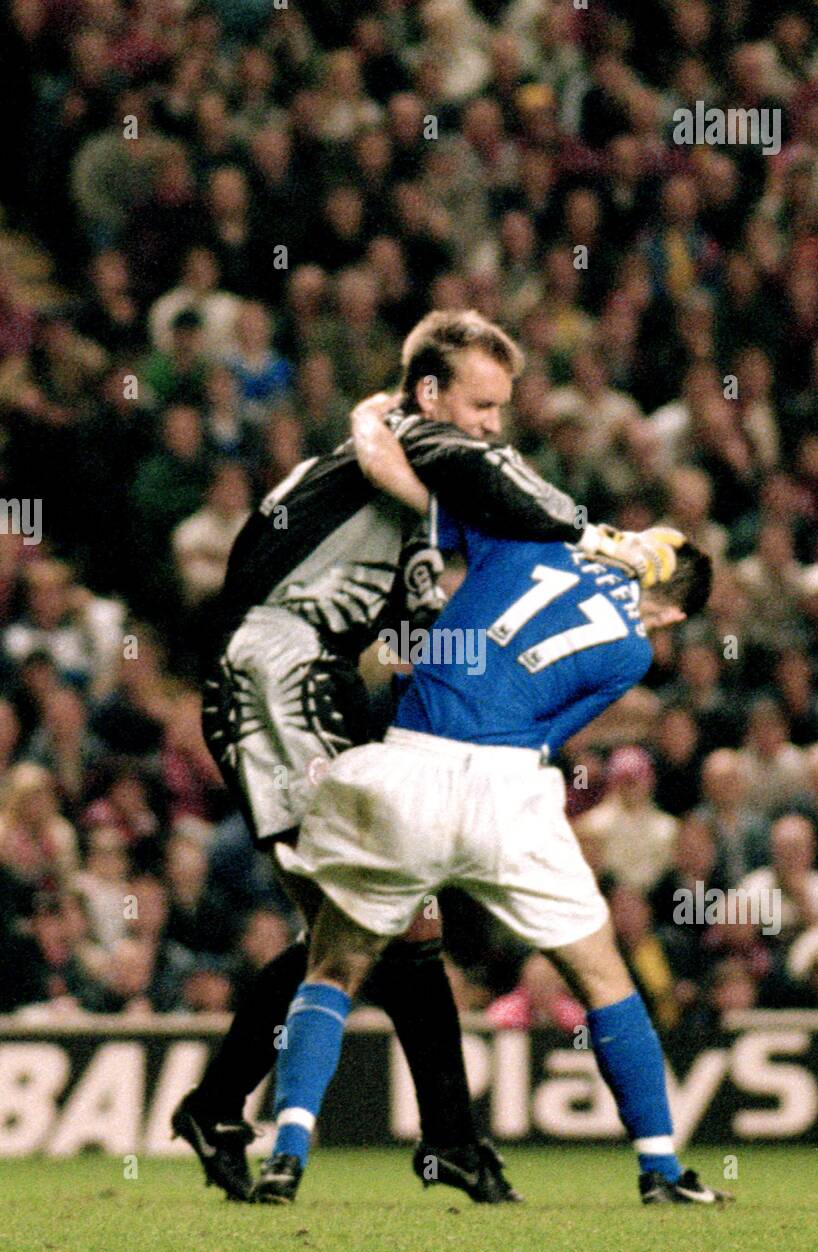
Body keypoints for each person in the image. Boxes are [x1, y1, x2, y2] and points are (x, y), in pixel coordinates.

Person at [173, 309, 683, 1203]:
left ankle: (437, 1137)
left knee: (393, 922)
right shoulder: (420, 438)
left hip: (309, 677)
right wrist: (589, 533)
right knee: (353, 929)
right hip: (279, 676)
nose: (491, 425)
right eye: (480, 405)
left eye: (499, 408)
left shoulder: (404, 459)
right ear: (429, 393)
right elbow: (483, 481)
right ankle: (247, 1110)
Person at [252, 491, 724, 1207]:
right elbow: (543, 730)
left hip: (407, 772)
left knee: (334, 968)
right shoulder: (630, 653)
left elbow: (430, 510)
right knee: (605, 982)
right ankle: (660, 1170)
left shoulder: (527, 542)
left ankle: (286, 1155)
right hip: (507, 791)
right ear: (677, 613)